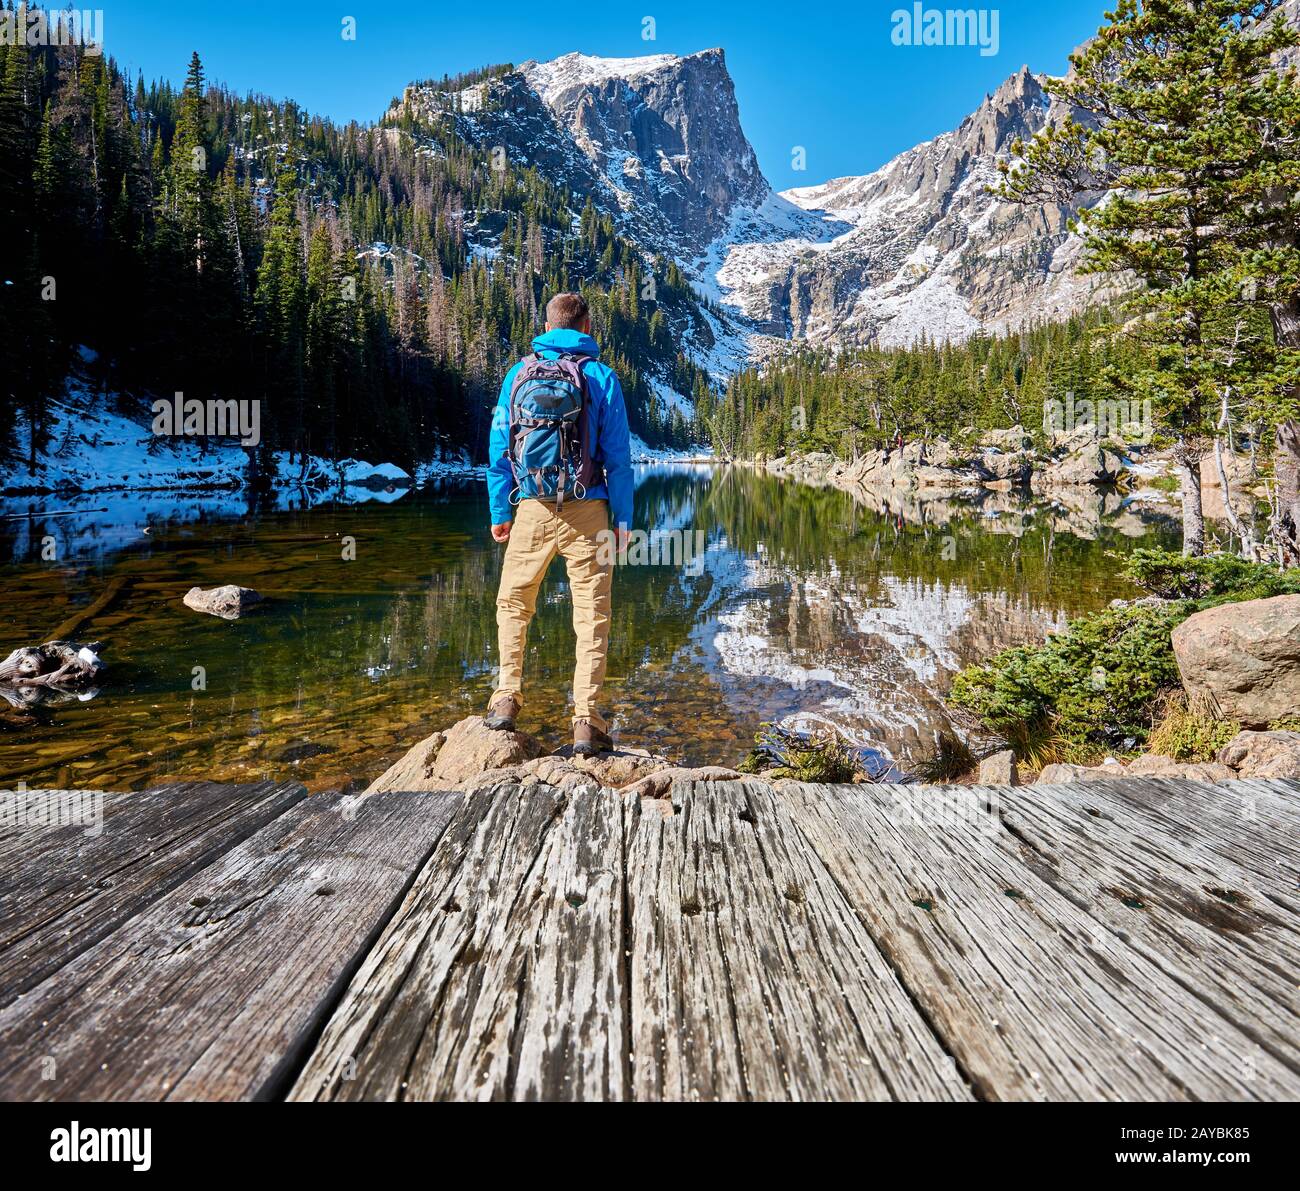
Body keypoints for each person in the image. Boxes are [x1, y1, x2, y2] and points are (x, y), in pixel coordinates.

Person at [483, 292, 633, 755]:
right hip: (590, 508)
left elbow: (498, 446)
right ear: (586, 326)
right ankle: (586, 721)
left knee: (514, 602)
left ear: (547, 326)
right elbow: (619, 459)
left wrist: (499, 511)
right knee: (591, 615)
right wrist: (623, 520)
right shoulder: (601, 376)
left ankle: (506, 698)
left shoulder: (518, 374)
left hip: (531, 507)